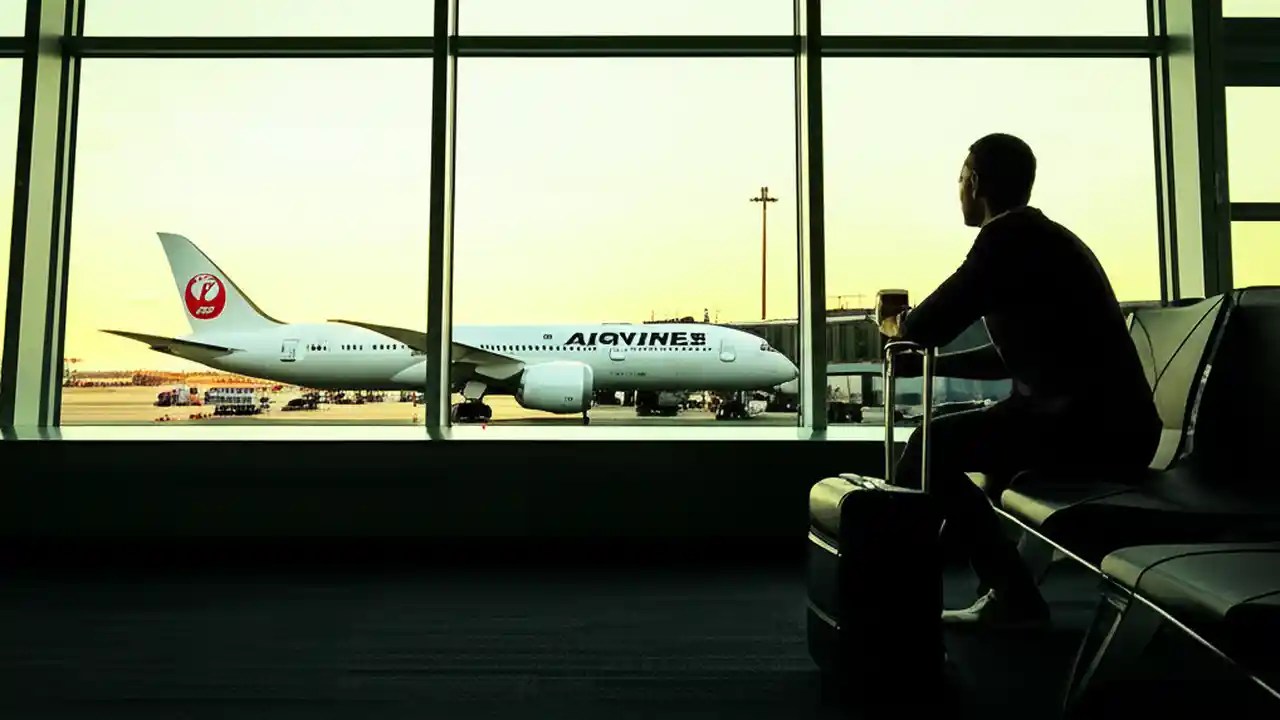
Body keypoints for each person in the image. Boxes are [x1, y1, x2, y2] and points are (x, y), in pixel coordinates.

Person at [881, 133, 1161, 628]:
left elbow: (926, 324)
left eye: (961, 179)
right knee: (943, 435)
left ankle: (926, 583)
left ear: (977, 183)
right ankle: (992, 583)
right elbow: (1016, 357)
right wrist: (936, 364)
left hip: (1088, 427)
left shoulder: (1005, 241)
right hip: (1102, 420)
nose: (959, 191)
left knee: (932, 446)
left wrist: (897, 328)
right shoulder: (1042, 239)